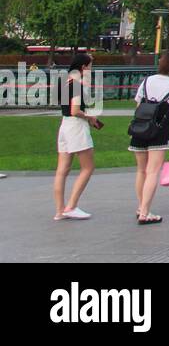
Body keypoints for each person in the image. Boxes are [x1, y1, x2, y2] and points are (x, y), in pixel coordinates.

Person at [130, 49, 169, 225]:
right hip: (160, 129)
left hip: (140, 127)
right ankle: (145, 212)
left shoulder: (147, 81)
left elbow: (138, 104)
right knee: (152, 171)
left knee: (141, 170)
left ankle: (141, 207)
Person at [54, 53, 103, 221]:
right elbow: (75, 110)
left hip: (65, 125)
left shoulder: (63, 81)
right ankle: (72, 206)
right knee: (88, 167)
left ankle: (60, 210)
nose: (91, 69)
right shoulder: (76, 84)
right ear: (83, 67)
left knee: (62, 170)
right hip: (76, 127)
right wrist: (90, 118)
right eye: (90, 66)